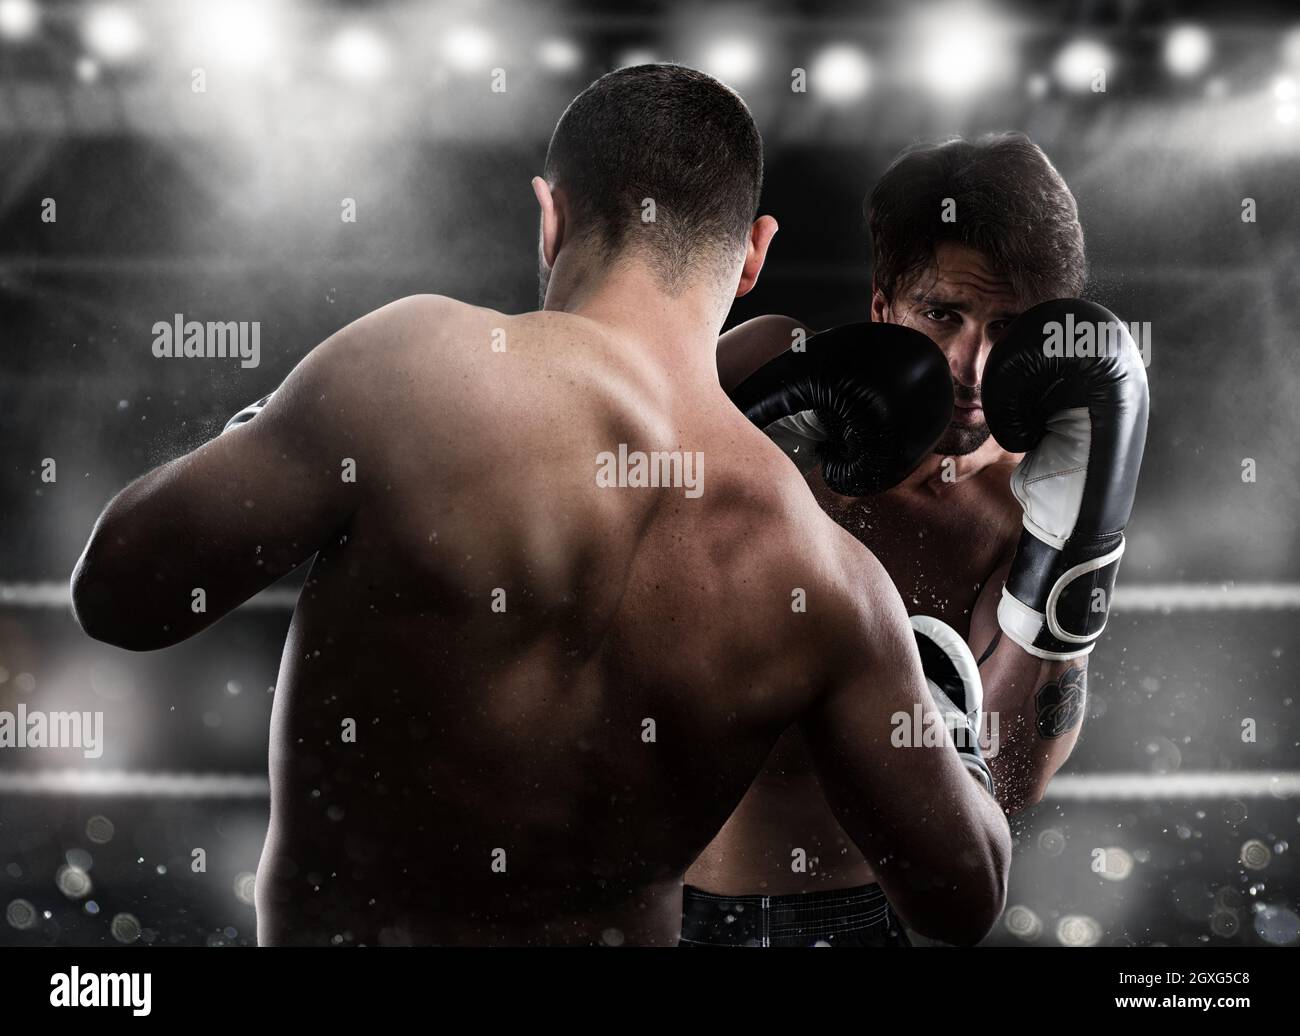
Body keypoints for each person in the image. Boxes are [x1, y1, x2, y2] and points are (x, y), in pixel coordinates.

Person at [70, 66, 1010, 947]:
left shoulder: (410, 370)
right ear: (756, 253)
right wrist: (940, 701)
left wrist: (277, 428)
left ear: (549, 218)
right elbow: (962, 896)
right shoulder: (829, 580)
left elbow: (118, 593)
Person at [689, 133, 1147, 947]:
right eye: (944, 314)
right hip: (652, 887)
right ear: (883, 305)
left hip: (855, 916)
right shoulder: (769, 363)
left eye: (1010, 327)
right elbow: (589, 500)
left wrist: (1074, 554)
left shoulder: (1028, 505)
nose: (974, 365)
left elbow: (1004, 781)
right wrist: (740, 470)